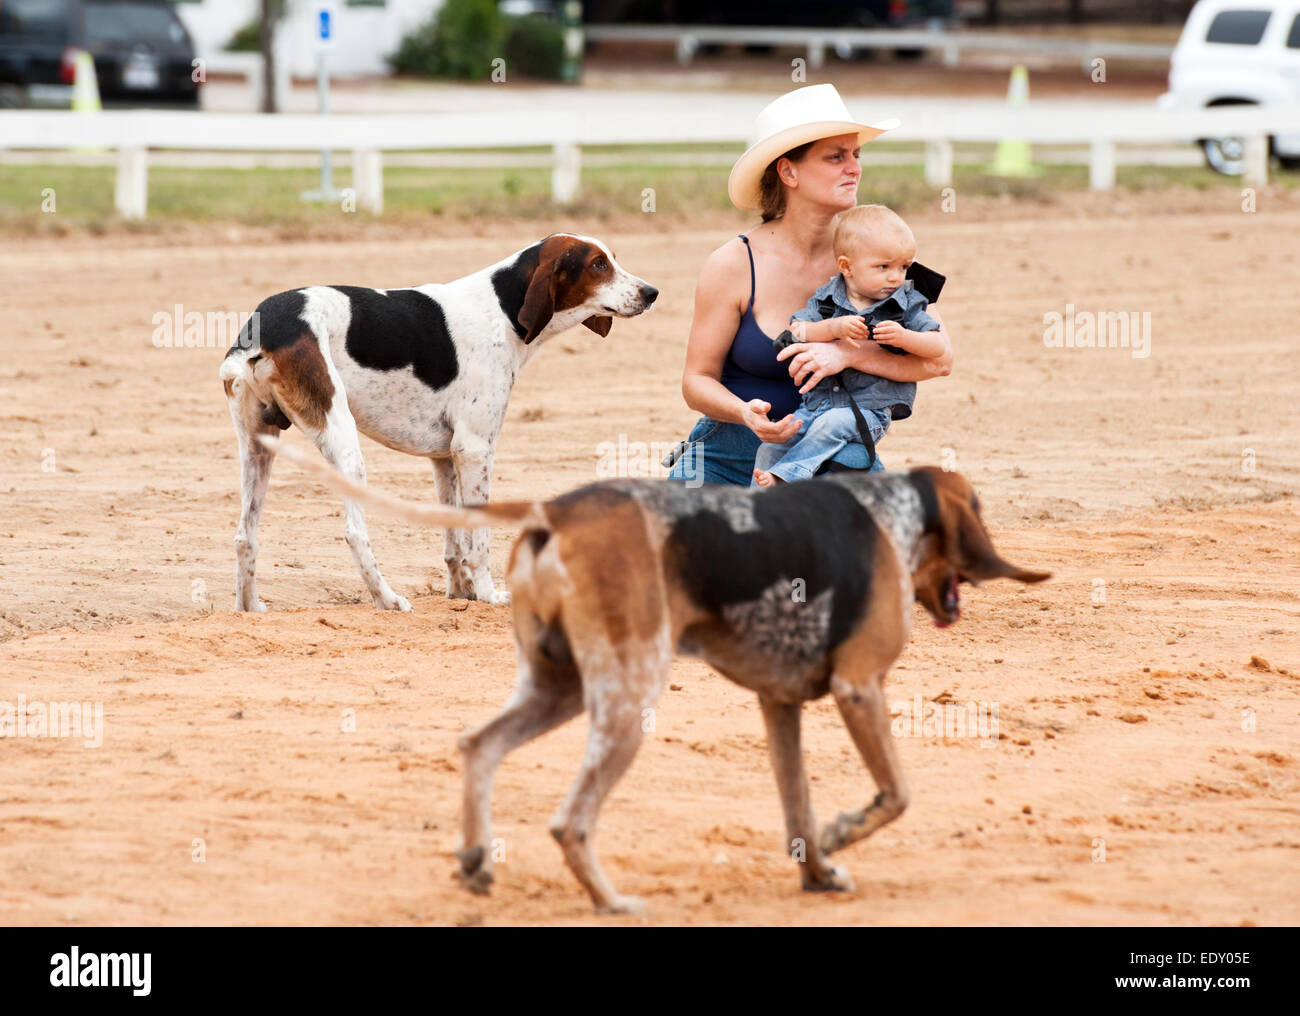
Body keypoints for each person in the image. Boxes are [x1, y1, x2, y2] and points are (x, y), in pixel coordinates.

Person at [665, 83, 953, 486]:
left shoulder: (888, 259)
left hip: (835, 456)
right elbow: (696, 382)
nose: (854, 168)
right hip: (726, 454)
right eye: (836, 157)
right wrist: (745, 412)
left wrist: (849, 357)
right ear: (788, 171)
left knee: (887, 542)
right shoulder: (732, 263)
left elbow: (940, 361)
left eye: (856, 155)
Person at [752, 203, 945, 487]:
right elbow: (798, 330)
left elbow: (938, 348)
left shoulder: (906, 304)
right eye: (883, 267)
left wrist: (905, 337)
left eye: (903, 267)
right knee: (775, 443)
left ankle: (786, 477)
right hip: (818, 406)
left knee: (834, 426)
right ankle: (754, 517)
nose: (896, 276)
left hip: (868, 411)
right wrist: (832, 328)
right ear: (846, 267)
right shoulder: (827, 299)